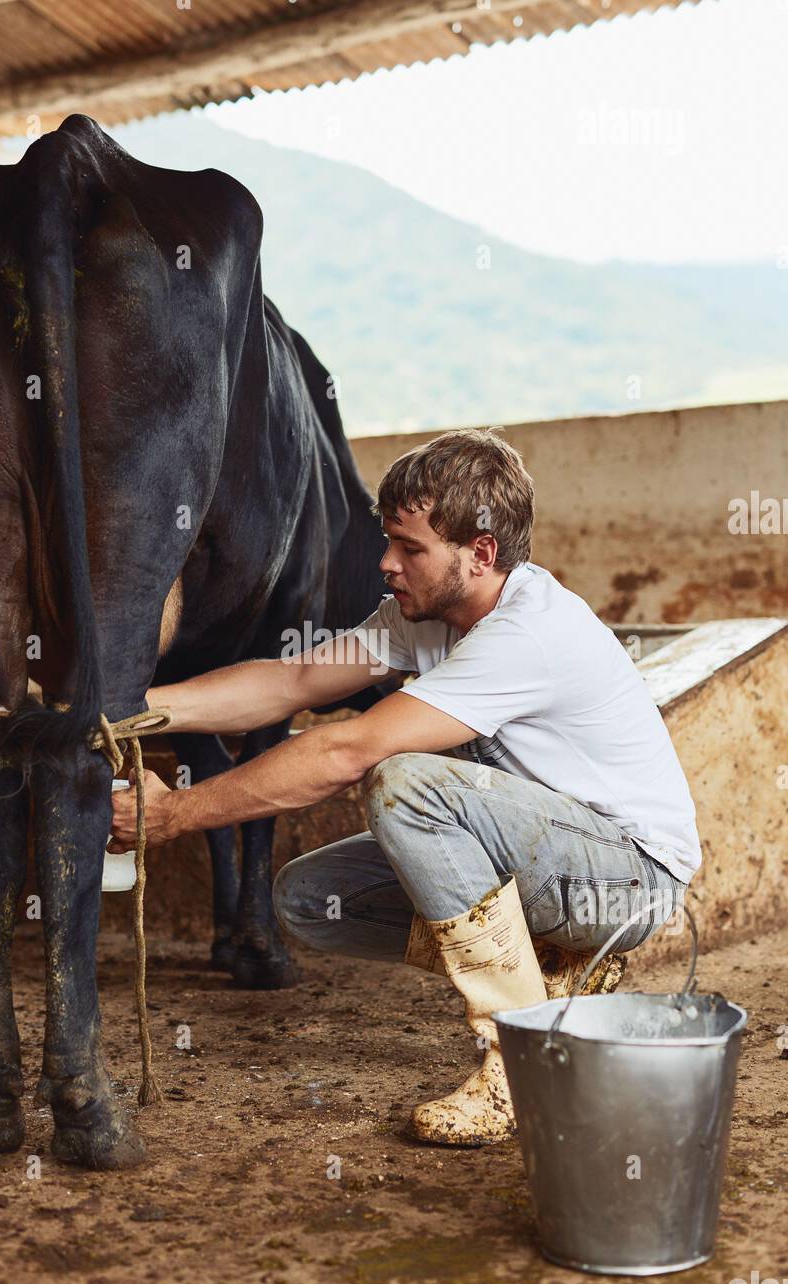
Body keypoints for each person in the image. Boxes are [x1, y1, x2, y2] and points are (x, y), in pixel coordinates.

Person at [110, 427, 700, 1146]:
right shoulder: (428, 618)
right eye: (388, 541)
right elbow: (291, 681)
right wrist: (126, 709)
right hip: (554, 864)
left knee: (408, 785)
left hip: (629, 879)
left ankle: (518, 1064)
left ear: (479, 553)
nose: (386, 564)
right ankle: (554, 969)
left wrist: (171, 815)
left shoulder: (527, 633)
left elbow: (347, 748)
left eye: (410, 549)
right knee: (311, 901)